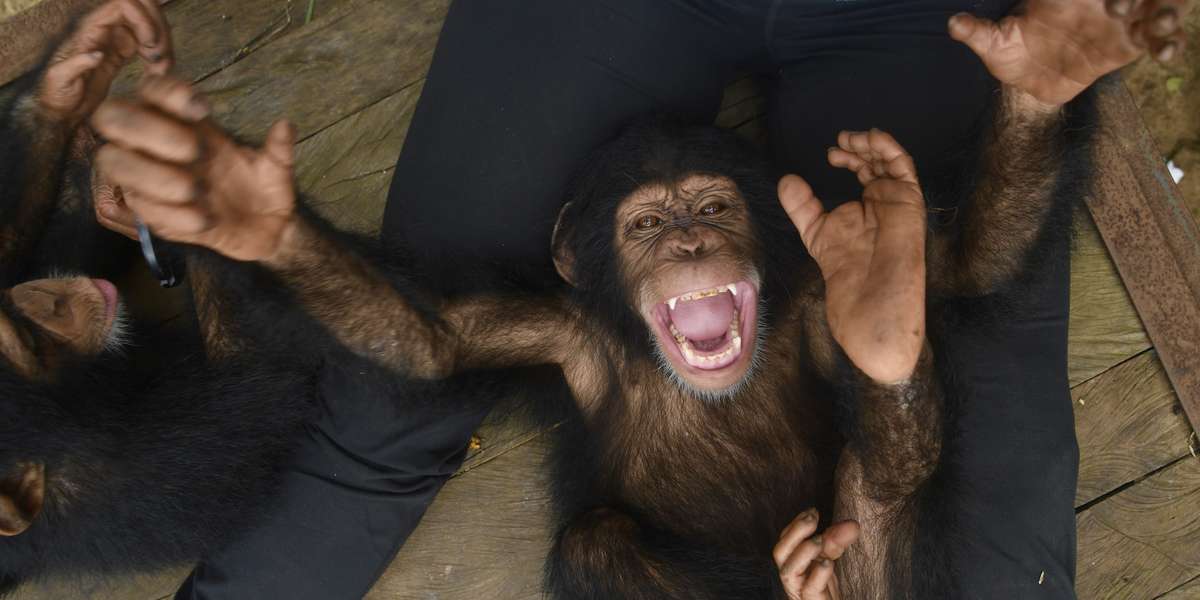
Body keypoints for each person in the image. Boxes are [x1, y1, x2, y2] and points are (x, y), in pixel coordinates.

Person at [81, 0, 1178, 598]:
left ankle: (900, 367)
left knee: (952, 372)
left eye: (706, 213)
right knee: (415, 438)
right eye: (653, 227)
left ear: (771, 237)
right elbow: (424, 339)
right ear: (579, 258)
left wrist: (1036, 110)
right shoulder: (583, 333)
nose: (690, 235)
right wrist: (282, 243)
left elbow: (984, 268)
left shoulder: (797, 298)